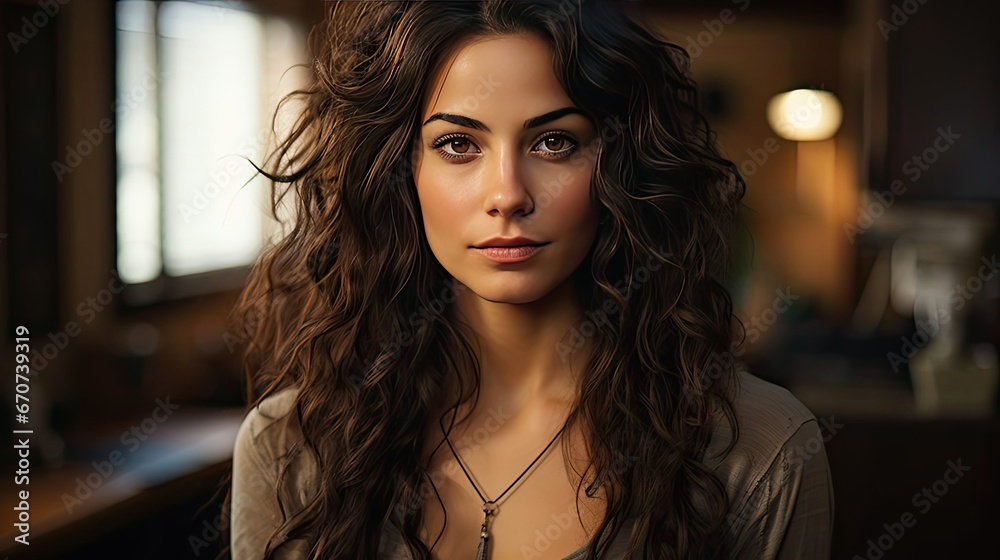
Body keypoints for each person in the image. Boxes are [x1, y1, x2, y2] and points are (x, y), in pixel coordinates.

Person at [225, 1, 834, 559]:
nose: (508, 195)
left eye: (553, 142)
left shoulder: (759, 452)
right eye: (459, 144)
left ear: (617, 166)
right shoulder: (290, 450)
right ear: (398, 171)